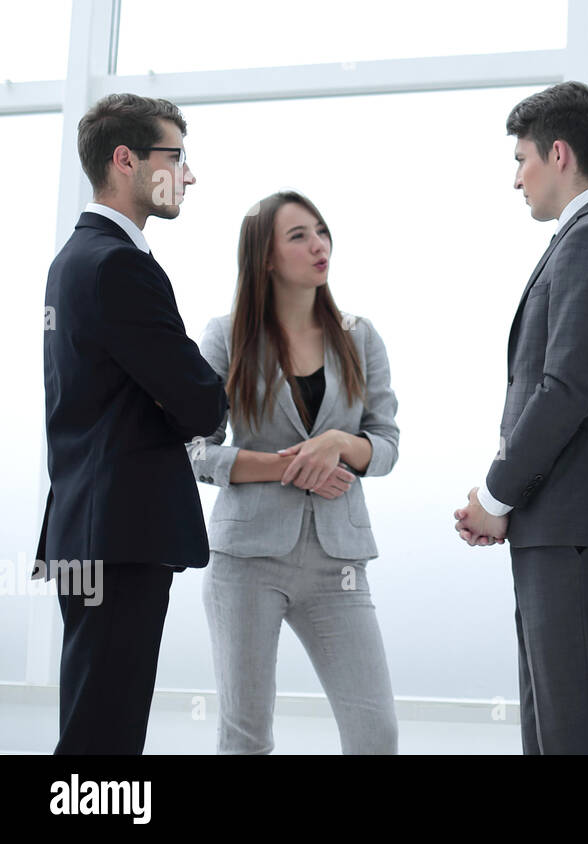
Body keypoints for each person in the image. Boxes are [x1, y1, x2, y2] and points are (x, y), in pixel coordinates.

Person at [453, 81, 588, 754]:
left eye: (522, 160)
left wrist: (494, 494)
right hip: (572, 523)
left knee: (568, 731)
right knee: (553, 724)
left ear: (560, 154)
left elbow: (566, 389)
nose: (517, 180)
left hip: (572, 523)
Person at [36, 93, 227, 754]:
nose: (190, 175)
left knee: (96, 726)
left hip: (91, 526)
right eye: (177, 157)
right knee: (103, 737)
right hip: (119, 534)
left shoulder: (76, 258)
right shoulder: (118, 263)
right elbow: (201, 403)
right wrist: (199, 398)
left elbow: (142, 395)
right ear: (127, 160)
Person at [189, 190, 400, 754]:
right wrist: (288, 468)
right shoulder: (226, 335)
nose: (319, 245)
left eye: (322, 230)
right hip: (246, 562)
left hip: (339, 565)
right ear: (265, 257)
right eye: (299, 235)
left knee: (375, 735)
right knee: (246, 736)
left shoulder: (359, 335)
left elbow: (386, 445)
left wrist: (335, 443)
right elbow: (194, 452)